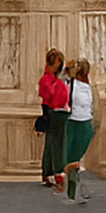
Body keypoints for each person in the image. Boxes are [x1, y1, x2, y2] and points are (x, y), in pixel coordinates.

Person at [61, 59, 96, 203]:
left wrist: (66, 71)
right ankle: (75, 190)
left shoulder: (69, 85)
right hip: (86, 123)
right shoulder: (88, 88)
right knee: (74, 158)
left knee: (70, 158)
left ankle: (73, 191)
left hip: (73, 122)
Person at [38, 49, 70, 189]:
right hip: (53, 112)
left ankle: (50, 172)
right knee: (54, 145)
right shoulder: (47, 80)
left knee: (54, 144)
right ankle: (52, 172)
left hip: (59, 112)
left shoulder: (52, 79)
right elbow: (46, 99)